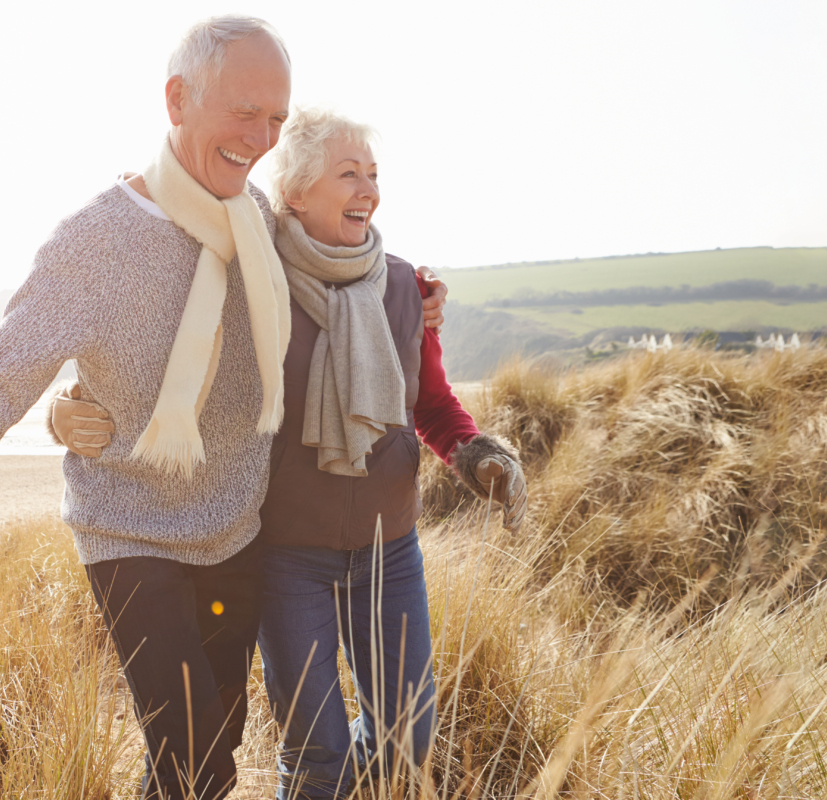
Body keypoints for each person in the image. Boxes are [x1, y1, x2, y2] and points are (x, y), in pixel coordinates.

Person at [0, 17, 447, 800]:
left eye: (275, 117)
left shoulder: (261, 225)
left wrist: (418, 296)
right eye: (243, 112)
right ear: (177, 100)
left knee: (201, 764)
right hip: (129, 532)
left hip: (235, 530)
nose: (261, 138)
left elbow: (346, 274)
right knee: (195, 751)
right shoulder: (94, 244)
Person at [50, 108, 527, 800]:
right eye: (347, 173)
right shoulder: (247, 282)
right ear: (295, 193)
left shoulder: (401, 287)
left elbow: (428, 405)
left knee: (405, 738)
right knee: (316, 754)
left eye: (372, 174)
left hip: (388, 551)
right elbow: (160, 367)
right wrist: (68, 408)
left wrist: (477, 452)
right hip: (284, 557)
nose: (368, 188)